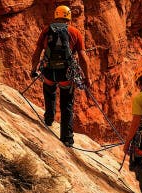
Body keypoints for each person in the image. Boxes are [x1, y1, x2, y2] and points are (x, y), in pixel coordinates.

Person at [29, 5, 91, 147]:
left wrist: (34, 69)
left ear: (56, 15)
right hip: (66, 74)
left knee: (49, 92)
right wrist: (87, 77)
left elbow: (37, 52)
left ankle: (49, 119)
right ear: (69, 17)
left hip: (49, 71)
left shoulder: (46, 30)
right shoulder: (75, 32)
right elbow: (83, 57)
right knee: (67, 104)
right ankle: (67, 138)